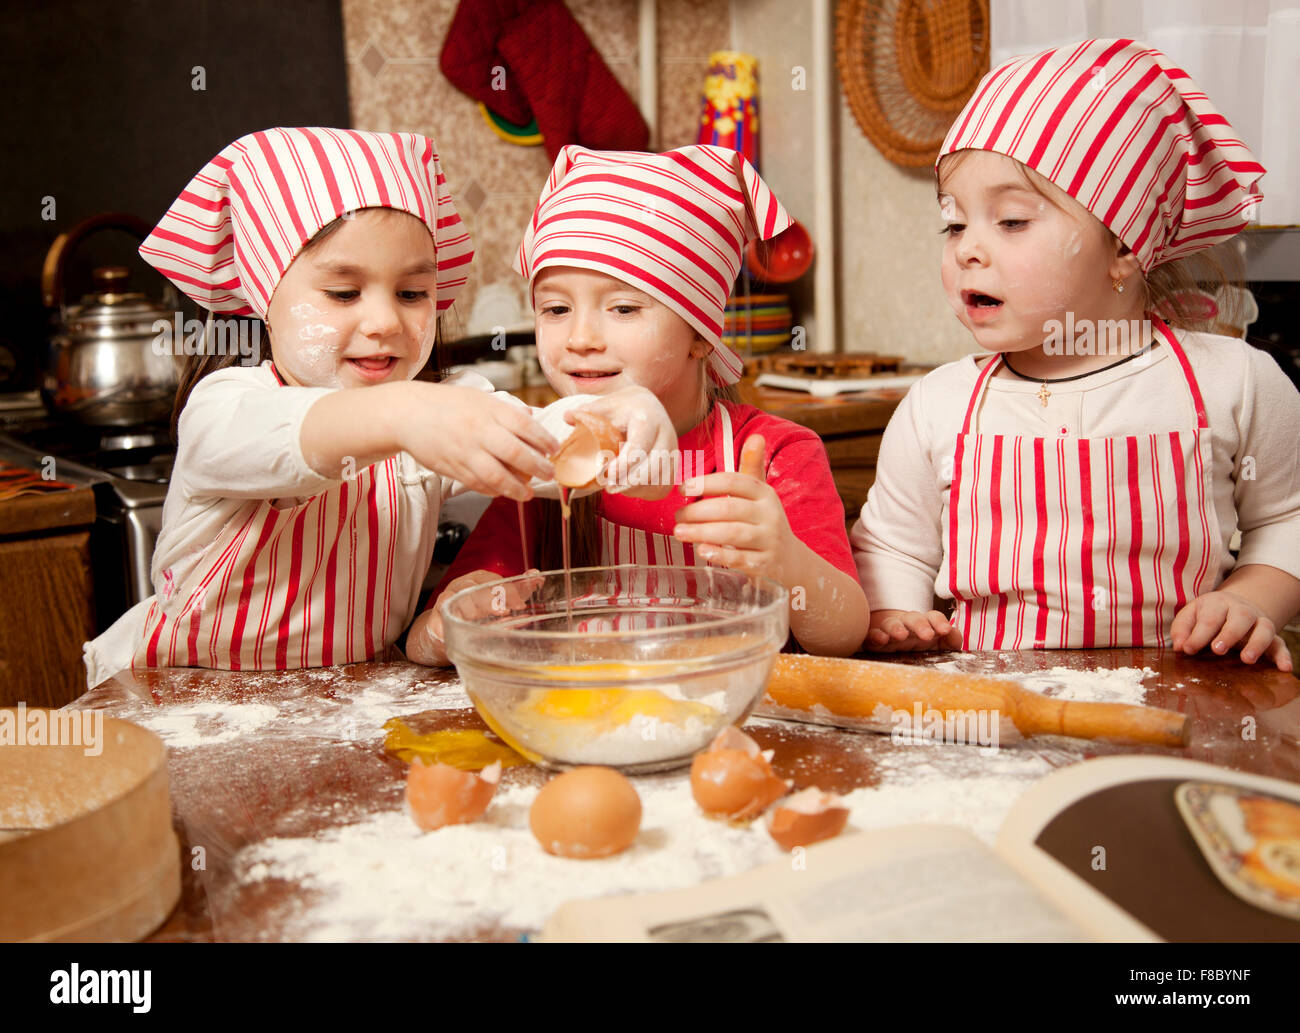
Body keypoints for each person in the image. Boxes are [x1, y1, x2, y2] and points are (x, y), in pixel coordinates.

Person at [82, 128, 673, 686]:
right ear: (264, 291)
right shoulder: (226, 407)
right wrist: (406, 413)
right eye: (343, 293)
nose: (387, 322)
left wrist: (616, 421)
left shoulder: (439, 406)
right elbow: (302, 432)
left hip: (356, 706)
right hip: (178, 700)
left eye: (413, 293)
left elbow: (538, 443)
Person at [853, 39, 1300, 669]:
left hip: (1194, 702)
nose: (967, 250)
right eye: (954, 224)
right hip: (997, 713)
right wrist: (896, 616)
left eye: (1010, 221)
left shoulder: (1235, 383)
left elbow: (1289, 518)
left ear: (1123, 245)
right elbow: (893, 548)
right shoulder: (939, 407)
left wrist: (1253, 597)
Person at [406, 145, 870, 664]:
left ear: (701, 335)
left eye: (623, 308)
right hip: (592, 725)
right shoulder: (544, 465)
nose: (580, 338)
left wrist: (786, 561)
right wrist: (452, 625)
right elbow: (429, 638)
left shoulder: (776, 452)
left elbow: (845, 633)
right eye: (556, 308)